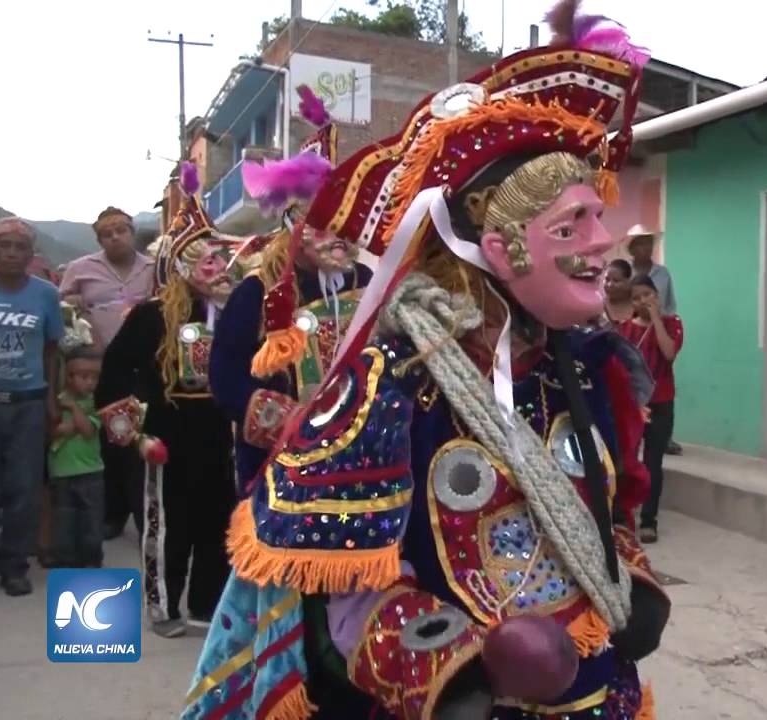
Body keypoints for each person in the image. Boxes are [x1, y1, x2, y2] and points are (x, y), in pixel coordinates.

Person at [185, 6, 667, 718]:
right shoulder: (397, 380)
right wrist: (453, 672)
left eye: (599, 217)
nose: (604, 241)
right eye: (572, 225)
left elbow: (601, 511)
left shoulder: (589, 367)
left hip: (599, 692)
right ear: (497, 246)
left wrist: (628, 580)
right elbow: (350, 583)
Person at [96, 167, 240, 638]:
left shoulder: (237, 313)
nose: (220, 271)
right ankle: (163, 609)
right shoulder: (151, 315)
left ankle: (205, 605)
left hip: (219, 434)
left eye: (223, 262)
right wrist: (134, 433)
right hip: (168, 433)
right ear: (181, 267)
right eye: (209, 264)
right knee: (167, 528)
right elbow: (115, 372)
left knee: (217, 523)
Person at [209, 88, 372, 494]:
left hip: (360, 459)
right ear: (293, 223)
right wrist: (292, 421)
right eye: (325, 220)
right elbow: (226, 378)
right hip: (282, 466)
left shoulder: (365, 283)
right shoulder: (256, 293)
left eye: (344, 219)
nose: (340, 233)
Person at [0, 217, 64, 596]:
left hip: (27, 404)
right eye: (3, 246)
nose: (10, 253)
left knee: (23, 488)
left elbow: (51, 350)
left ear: (30, 255)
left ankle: (14, 566)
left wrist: (51, 399)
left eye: (19, 247)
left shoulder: (45, 295)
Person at [61, 206, 155, 540]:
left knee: (142, 438)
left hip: (144, 368)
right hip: (100, 370)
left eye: (121, 230)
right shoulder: (81, 269)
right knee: (109, 441)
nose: (115, 237)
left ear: (132, 232)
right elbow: (65, 306)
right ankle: (113, 513)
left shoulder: (154, 269)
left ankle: (146, 513)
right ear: (99, 239)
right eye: (107, 234)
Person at [617, 276, 683, 543]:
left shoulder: (673, 324)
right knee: (627, 460)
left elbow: (668, 354)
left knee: (653, 462)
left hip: (661, 403)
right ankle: (622, 515)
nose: (643, 301)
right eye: (637, 298)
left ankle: (649, 520)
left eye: (648, 294)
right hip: (631, 404)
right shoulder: (623, 330)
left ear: (656, 294)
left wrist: (656, 319)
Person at [47, 347, 105, 568]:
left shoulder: (95, 403)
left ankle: (91, 559)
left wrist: (72, 409)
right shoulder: (55, 401)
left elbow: (88, 430)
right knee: (64, 520)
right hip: (62, 472)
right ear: (68, 377)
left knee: (91, 521)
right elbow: (53, 430)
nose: (90, 383)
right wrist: (71, 425)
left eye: (94, 378)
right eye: (83, 377)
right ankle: (65, 559)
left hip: (90, 473)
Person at [604, 258, 636, 325]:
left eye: (616, 280)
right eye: (607, 279)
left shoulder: (640, 306)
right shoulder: (598, 308)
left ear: (629, 282)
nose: (610, 285)